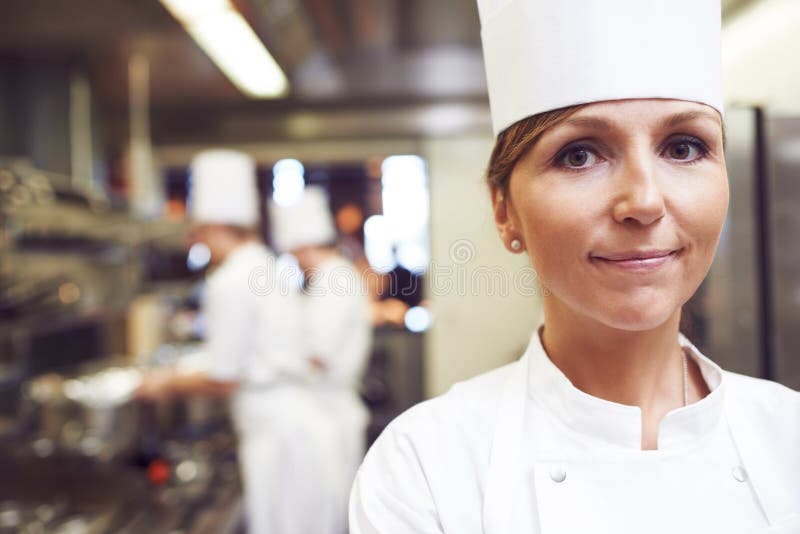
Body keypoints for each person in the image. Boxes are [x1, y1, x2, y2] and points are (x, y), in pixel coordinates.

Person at [348, 1, 800, 533]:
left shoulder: (788, 437)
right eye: (580, 155)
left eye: (683, 148)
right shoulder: (424, 469)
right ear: (504, 210)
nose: (644, 202)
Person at [137, 149, 329, 534]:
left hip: (276, 437)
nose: (197, 240)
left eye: (199, 230)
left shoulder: (229, 281)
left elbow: (224, 378)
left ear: (217, 225)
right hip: (299, 425)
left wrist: (166, 382)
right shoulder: (264, 264)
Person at [270, 186, 373, 534]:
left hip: (331, 413)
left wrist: (267, 365)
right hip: (327, 411)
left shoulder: (334, 280)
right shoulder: (331, 277)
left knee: (327, 516)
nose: (296, 261)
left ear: (305, 246)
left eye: (295, 253)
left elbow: (316, 355)